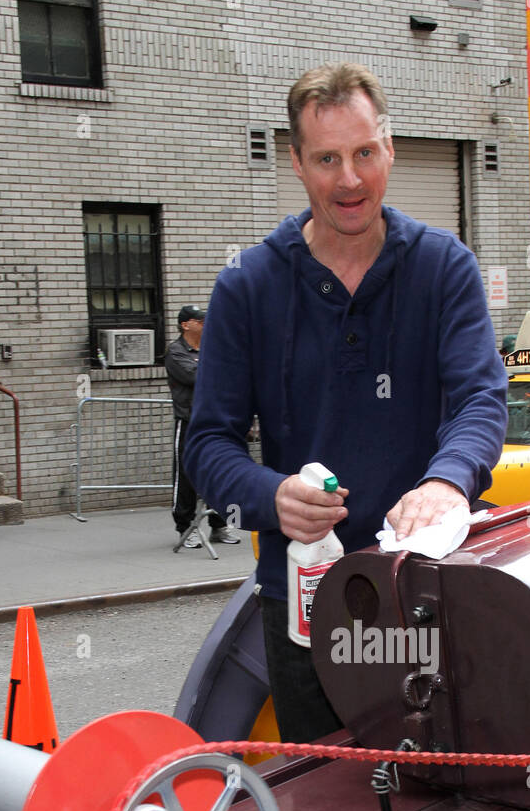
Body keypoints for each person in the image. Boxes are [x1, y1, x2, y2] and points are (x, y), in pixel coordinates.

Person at [185, 63, 508, 739]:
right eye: (327, 159)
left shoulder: (443, 267)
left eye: (364, 153)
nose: (350, 179)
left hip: (427, 589)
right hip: (306, 606)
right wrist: (271, 496)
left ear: (389, 149)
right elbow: (209, 444)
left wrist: (448, 481)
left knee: (448, 795)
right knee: (328, 801)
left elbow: (480, 397)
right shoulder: (247, 287)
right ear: (297, 164)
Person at [165, 305, 240, 549]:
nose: (205, 324)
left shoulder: (211, 348)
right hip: (189, 421)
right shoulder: (176, 352)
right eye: (200, 320)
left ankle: (218, 525)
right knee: (186, 476)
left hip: (214, 421)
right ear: (185, 324)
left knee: (218, 473)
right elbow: (197, 377)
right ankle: (185, 527)